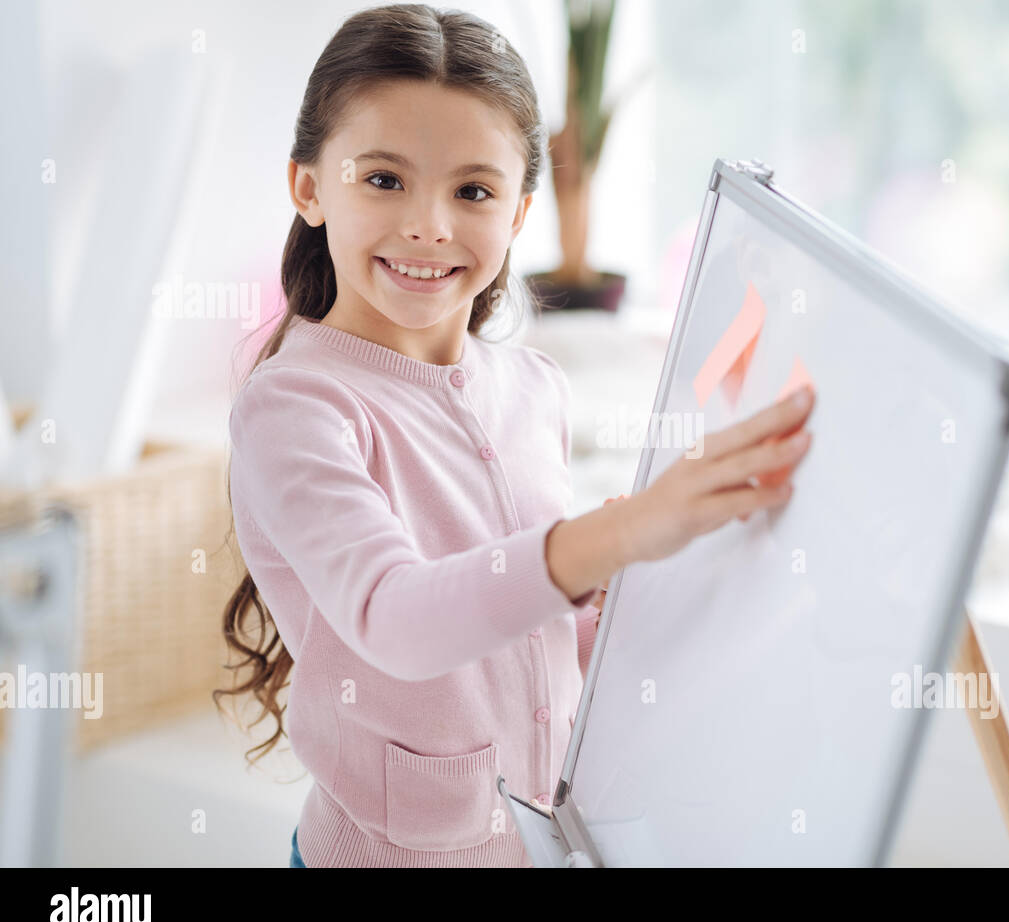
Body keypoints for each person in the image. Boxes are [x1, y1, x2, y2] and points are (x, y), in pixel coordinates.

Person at [215, 3, 815, 869]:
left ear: (521, 211)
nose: (430, 224)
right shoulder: (293, 408)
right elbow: (399, 617)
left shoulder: (534, 390)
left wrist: (605, 602)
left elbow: (518, 638)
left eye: (473, 190)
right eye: (384, 179)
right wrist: (605, 537)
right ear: (308, 186)